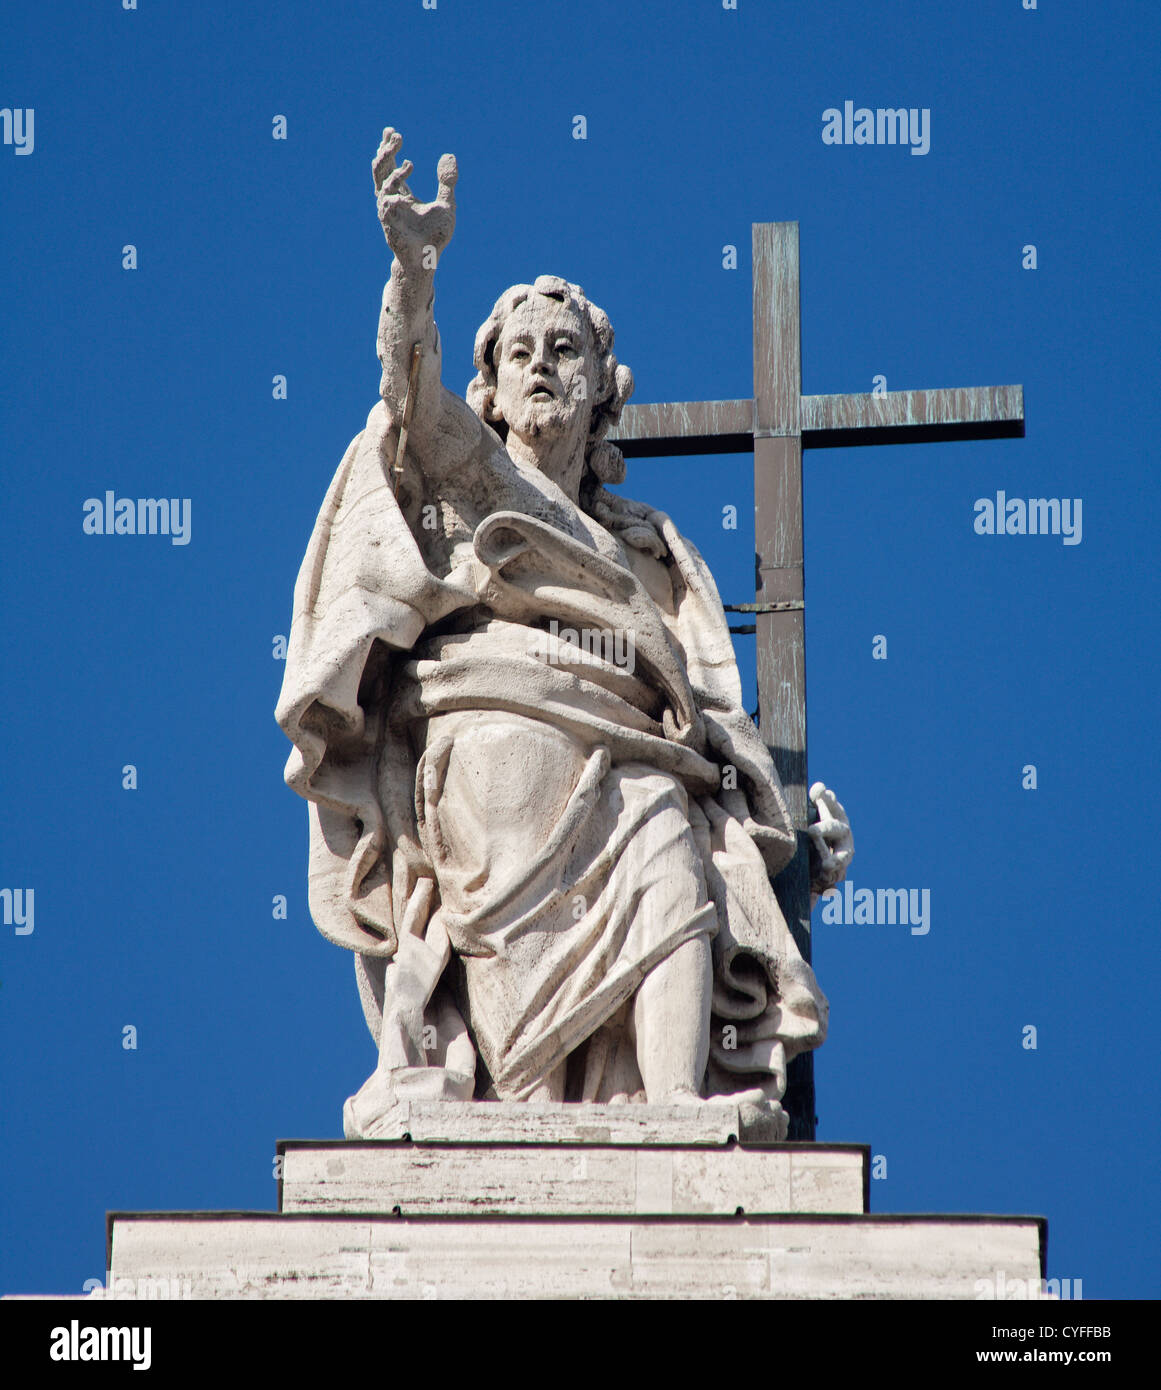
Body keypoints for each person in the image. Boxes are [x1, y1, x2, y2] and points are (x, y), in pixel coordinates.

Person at [276, 129, 851, 1137]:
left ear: (599, 386)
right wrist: (415, 268)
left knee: (672, 836)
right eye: (518, 353)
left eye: (565, 349)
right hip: (490, 755)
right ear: (487, 393)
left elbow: (711, 722)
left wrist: (783, 835)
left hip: (637, 763)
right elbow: (408, 398)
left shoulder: (653, 551)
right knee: (522, 1080)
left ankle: (675, 1106)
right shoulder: (471, 486)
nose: (541, 366)